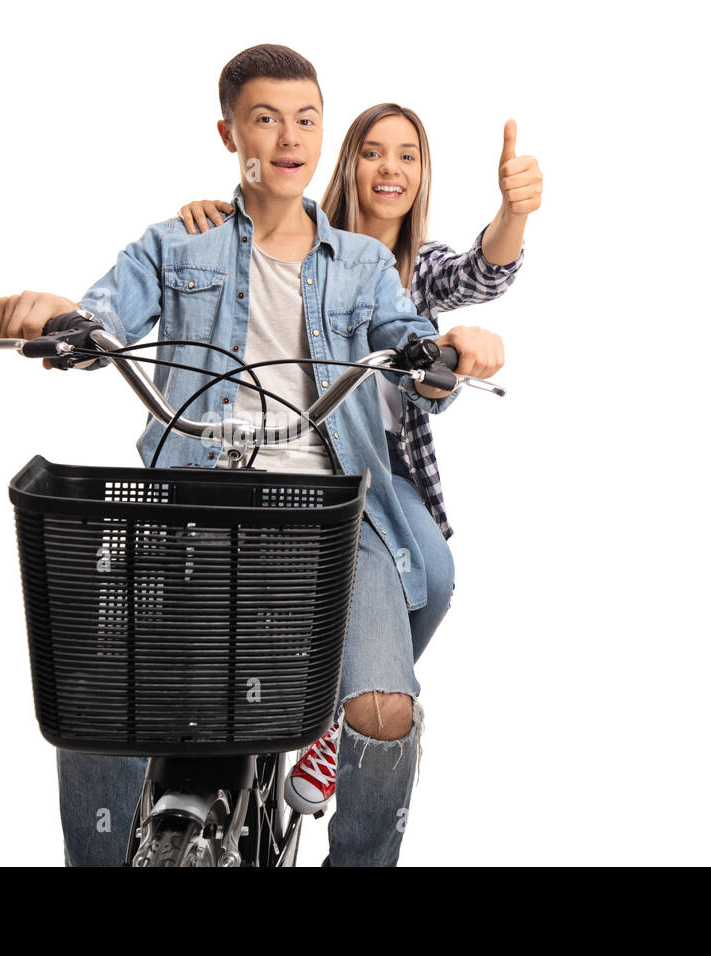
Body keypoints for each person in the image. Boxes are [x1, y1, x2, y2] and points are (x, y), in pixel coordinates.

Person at [0, 44, 502, 866]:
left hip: (335, 517)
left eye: (306, 120)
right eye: (265, 118)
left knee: (383, 712)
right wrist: (60, 323)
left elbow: (409, 347)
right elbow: (103, 316)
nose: (289, 137)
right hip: (185, 505)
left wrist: (449, 355)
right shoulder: (177, 243)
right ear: (230, 132)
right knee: (95, 695)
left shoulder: (367, 264)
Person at [176, 105, 543, 816]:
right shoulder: (303, 241)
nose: (390, 170)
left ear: (421, 177)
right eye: (374, 153)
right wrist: (207, 216)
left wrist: (513, 213)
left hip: (383, 475)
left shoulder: (418, 268)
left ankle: (347, 713)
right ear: (348, 165)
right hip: (283, 460)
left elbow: (482, 271)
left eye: (408, 157)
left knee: (432, 576)